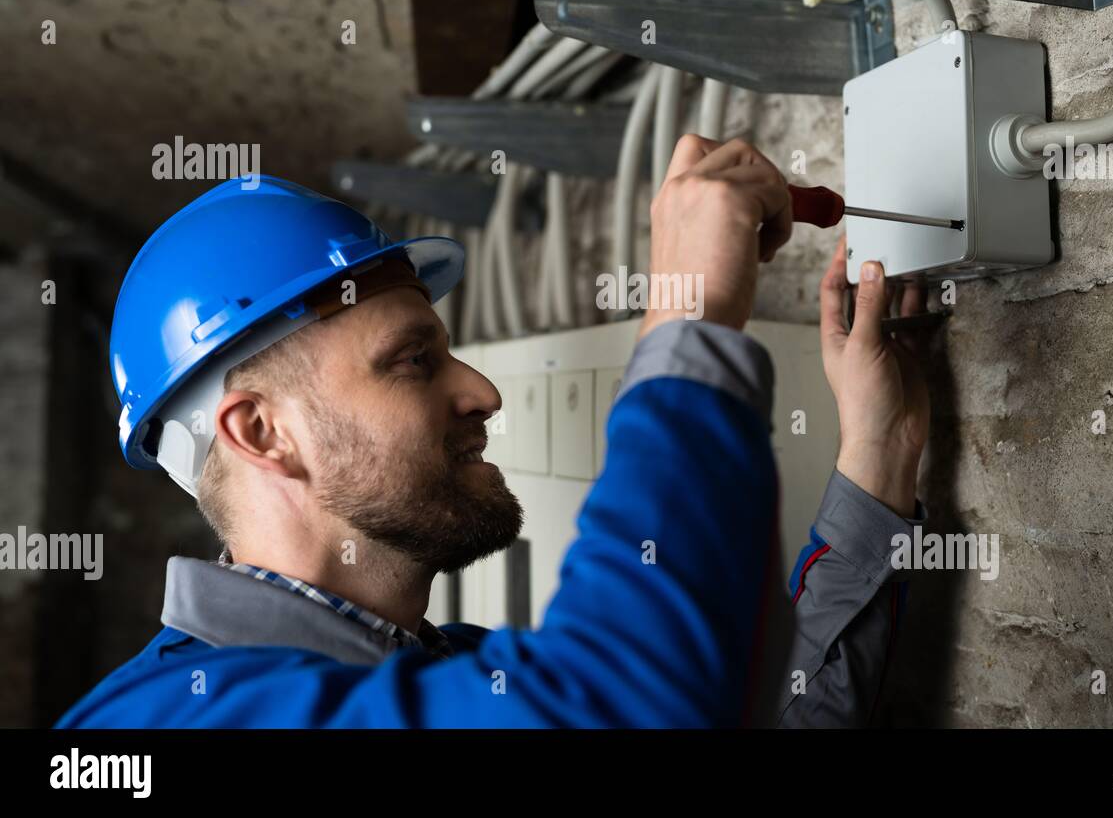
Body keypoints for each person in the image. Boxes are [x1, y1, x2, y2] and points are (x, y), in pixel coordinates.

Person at [58, 135, 928, 728]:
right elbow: (626, 707)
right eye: (412, 360)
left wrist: (880, 450)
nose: (480, 391)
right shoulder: (162, 724)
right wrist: (689, 320)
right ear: (262, 431)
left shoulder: (451, 675)